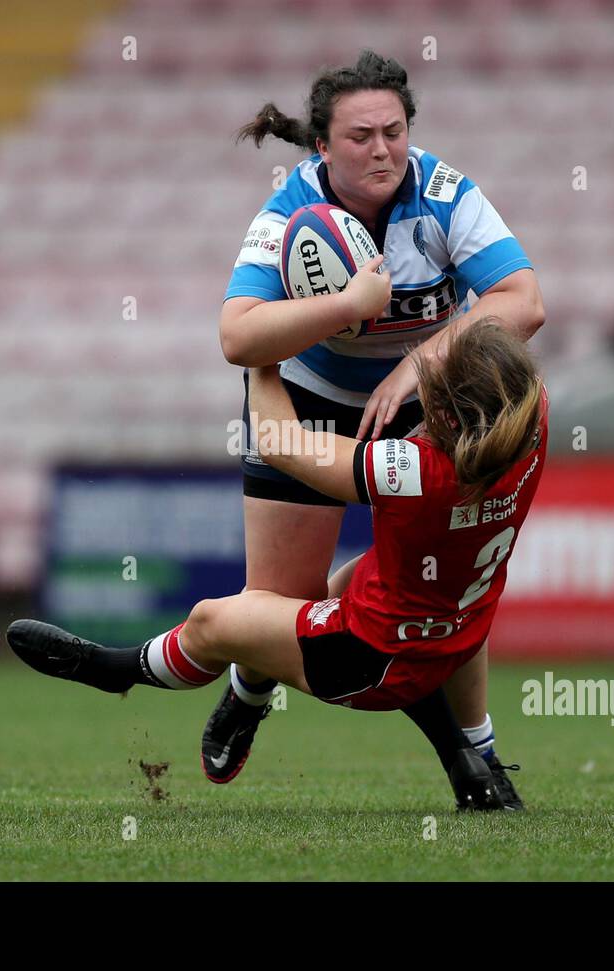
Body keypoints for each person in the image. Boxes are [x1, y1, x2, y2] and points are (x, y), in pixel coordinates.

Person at [7, 320, 548, 811]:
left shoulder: (413, 471)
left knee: (215, 621)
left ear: (450, 417)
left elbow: (280, 443)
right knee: (347, 586)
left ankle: (115, 670)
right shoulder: (534, 419)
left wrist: (263, 354)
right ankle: (458, 754)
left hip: (369, 659)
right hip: (459, 627)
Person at [210, 49, 546, 783]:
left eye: (394, 131)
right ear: (322, 145)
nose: (382, 149)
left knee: (444, 581)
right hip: (309, 399)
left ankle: (478, 754)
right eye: (361, 136)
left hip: (426, 402)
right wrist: (346, 309)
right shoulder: (287, 211)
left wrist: (417, 365)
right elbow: (237, 335)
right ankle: (248, 691)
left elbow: (524, 301)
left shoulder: (445, 193)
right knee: (283, 599)